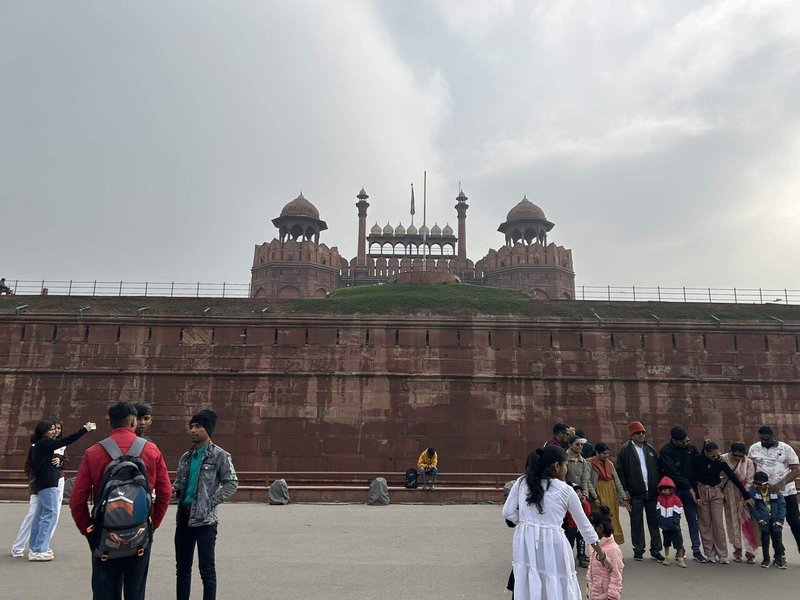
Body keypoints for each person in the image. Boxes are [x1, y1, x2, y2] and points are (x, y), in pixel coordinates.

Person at [70, 402, 171, 598]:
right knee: (135, 592)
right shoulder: (151, 450)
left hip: (104, 533)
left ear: (110, 423)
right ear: (133, 422)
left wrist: (90, 531)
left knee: (104, 592)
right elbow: (165, 492)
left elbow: (77, 500)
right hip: (140, 532)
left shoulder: (94, 452)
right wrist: (151, 525)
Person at [502, 445, 610, 600]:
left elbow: (507, 513)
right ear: (557, 466)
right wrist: (601, 554)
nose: (566, 469)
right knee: (555, 584)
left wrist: (526, 520)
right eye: (566, 464)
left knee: (530, 582)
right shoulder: (565, 490)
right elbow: (584, 526)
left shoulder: (522, 482)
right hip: (554, 545)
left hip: (526, 544)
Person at [173, 409, 239, 600]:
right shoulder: (186, 457)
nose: (193, 430)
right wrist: (173, 491)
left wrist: (210, 503)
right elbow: (180, 484)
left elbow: (231, 483)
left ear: (208, 429)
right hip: (184, 517)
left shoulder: (220, 455)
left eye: (198, 426)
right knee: (182, 569)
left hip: (205, 521)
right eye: (191, 426)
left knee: (207, 570)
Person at [29, 419, 96, 561]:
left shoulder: (40, 444)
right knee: (50, 514)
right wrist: (84, 429)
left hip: (44, 482)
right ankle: (39, 549)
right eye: (51, 429)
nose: (54, 431)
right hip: (48, 483)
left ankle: (35, 547)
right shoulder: (45, 443)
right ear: (43, 431)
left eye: (54, 429)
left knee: (40, 515)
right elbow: (66, 440)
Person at [691, 440, 752, 563]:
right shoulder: (697, 460)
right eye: (713, 455)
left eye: (717, 454)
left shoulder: (719, 461)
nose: (716, 457)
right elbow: (692, 478)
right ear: (706, 452)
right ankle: (710, 553)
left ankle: (722, 554)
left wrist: (746, 495)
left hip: (716, 492)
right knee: (705, 524)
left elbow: (733, 477)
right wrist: (696, 495)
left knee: (718, 523)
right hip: (701, 492)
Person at [748, 425, 800, 557]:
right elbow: (750, 467)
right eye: (762, 439)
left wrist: (781, 483)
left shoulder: (786, 448)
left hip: (786, 491)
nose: (764, 442)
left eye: (767, 439)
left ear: (773, 435)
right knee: (772, 524)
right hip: (765, 493)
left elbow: (796, 470)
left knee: (794, 522)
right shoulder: (754, 448)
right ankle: (779, 553)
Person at [615, 421, 663, 561]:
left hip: (652, 492)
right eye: (638, 433)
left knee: (654, 522)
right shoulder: (625, 451)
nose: (641, 435)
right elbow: (620, 472)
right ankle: (638, 549)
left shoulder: (650, 450)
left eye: (643, 432)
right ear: (632, 435)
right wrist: (625, 490)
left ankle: (656, 549)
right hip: (635, 493)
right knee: (636, 522)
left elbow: (658, 469)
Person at [658, 426, 706, 562]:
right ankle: (680, 549)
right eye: (682, 442)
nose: (685, 444)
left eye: (686, 441)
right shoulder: (666, 451)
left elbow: (698, 464)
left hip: (689, 489)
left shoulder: (691, 448)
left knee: (693, 520)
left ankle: (696, 550)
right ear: (674, 440)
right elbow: (672, 471)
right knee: (675, 521)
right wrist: (688, 486)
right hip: (674, 491)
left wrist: (704, 451)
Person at [721, 442, 757, 563]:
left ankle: (750, 553)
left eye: (740, 456)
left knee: (748, 524)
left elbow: (750, 481)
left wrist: (743, 498)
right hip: (728, 495)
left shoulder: (748, 462)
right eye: (735, 455)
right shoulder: (723, 459)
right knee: (732, 524)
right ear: (730, 451)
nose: (737, 458)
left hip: (744, 496)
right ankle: (737, 551)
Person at [587, 442, 627, 545]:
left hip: (611, 493)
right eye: (604, 453)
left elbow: (617, 480)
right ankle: (599, 543)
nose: (606, 456)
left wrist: (623, 497)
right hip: (598, 493)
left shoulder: (609, 464)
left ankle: (612, 542)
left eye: (607, 453)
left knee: (612, 517)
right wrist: (595, 497)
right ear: (597, 452)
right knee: (600, 519)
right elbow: (588, 481)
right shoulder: (590, 463)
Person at [750, 471, 787, 569]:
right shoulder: (754, 492)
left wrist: (780, 520)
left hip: (776, 520)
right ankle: (766, 559)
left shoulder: (775, 491)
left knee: (777, 540)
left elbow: (782, 506)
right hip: (764, 521)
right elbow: (754, 507)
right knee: (765, 540)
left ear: (766, 483)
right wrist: (759, 519)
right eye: (755, 483)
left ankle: (778, 559)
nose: (758, 486)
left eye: (760, 484)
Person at [586, 506, 624, 600]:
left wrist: (612, 597)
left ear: (600, 528)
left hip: (605, 596)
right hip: (594, 594)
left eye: (591, 528)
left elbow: (616, 576)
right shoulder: (594, 546)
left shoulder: (613, 550)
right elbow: (591, 568)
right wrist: (589, 587)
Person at [656, 476, 686, 567]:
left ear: (671, 489)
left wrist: (675, 522)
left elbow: (678, 511)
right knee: (666, 543)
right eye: (662, 489)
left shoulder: (676, 499)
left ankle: (681, 559)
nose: (663, 491)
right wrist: (660, 520)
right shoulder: (659, 499)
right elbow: (658, 510)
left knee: (678, 543)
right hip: (665, 525)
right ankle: (667, 557)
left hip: (674, 525)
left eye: (665, 489)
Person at [563, 483, 592, 568]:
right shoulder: (569, 502)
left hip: (580, 528)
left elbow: (588, 514)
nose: (578, 493)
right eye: (576, 491)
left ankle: (581, 558)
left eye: (580, 491)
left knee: (581, 543)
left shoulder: (585, 504)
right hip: (571, 527)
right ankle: (567, 559)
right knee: (569, 543)